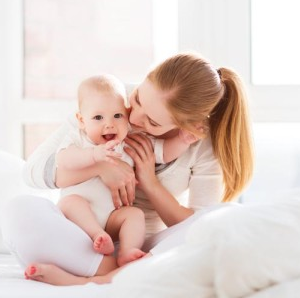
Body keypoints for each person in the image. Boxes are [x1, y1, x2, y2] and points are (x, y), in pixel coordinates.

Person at [1, 52, 254, 286]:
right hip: (81, 235)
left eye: (152, 122)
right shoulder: (110, 101)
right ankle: (116, 271)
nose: (133, 118)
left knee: (223, 219)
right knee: (19, 210)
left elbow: (200, 225)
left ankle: (92, 280)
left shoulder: (201, 145)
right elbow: (32, 172)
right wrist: (101, 167)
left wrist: (149, 181)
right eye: (138, 99)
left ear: (189, 126)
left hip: (144, 246)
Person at [55, 74, 197, 266]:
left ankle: (127, 251)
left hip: (112, 217)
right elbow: (63, 160)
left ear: (127, 116)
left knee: (134, 215)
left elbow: (163, 152)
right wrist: (95, 157)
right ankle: (97, 235)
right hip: (79, 216)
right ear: (81, 120)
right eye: (98, 117)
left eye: (117, 115)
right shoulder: (79, 139)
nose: (109, 124)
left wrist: (182, 141)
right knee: (70, 202)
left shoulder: (129, 142)